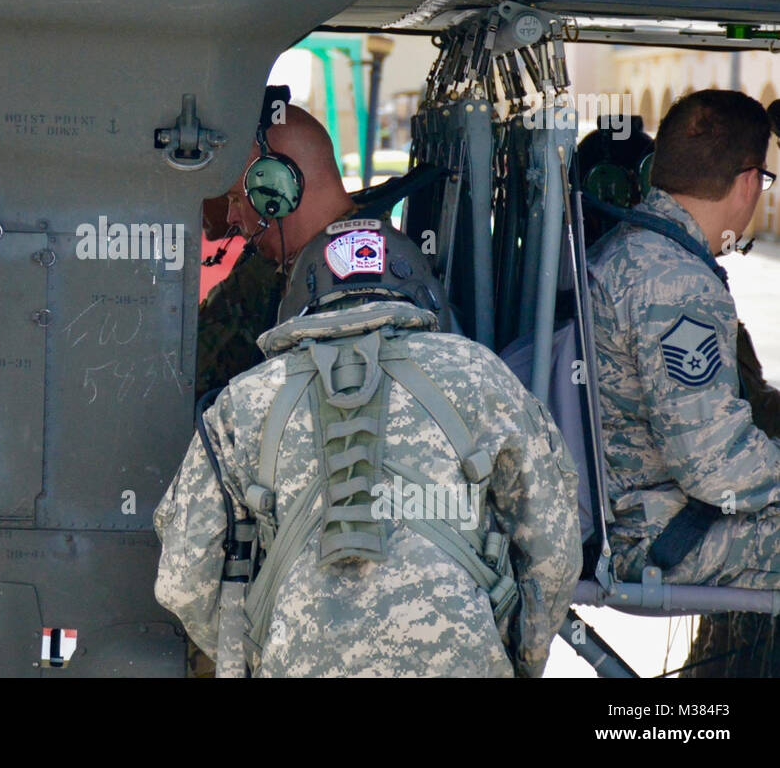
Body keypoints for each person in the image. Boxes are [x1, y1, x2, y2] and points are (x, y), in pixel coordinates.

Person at [156, 217, 581, 677]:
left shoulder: (242, 402)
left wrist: (260, 649)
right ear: (422, 294)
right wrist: (520, 658)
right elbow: (552, 552)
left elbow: (184, 579)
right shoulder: (481, 376)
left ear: (298, 305)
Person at [588, 89, 780, 586]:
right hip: (664, 535)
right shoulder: (676, 284)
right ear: (749, 183)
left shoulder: (633, 245)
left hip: (641, 515)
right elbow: (716, 466)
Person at [194, 101, 355, 398]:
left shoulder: (352, 282)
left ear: (278, 188)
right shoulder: (282, 264)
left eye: (237, 200)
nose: (231, 218)